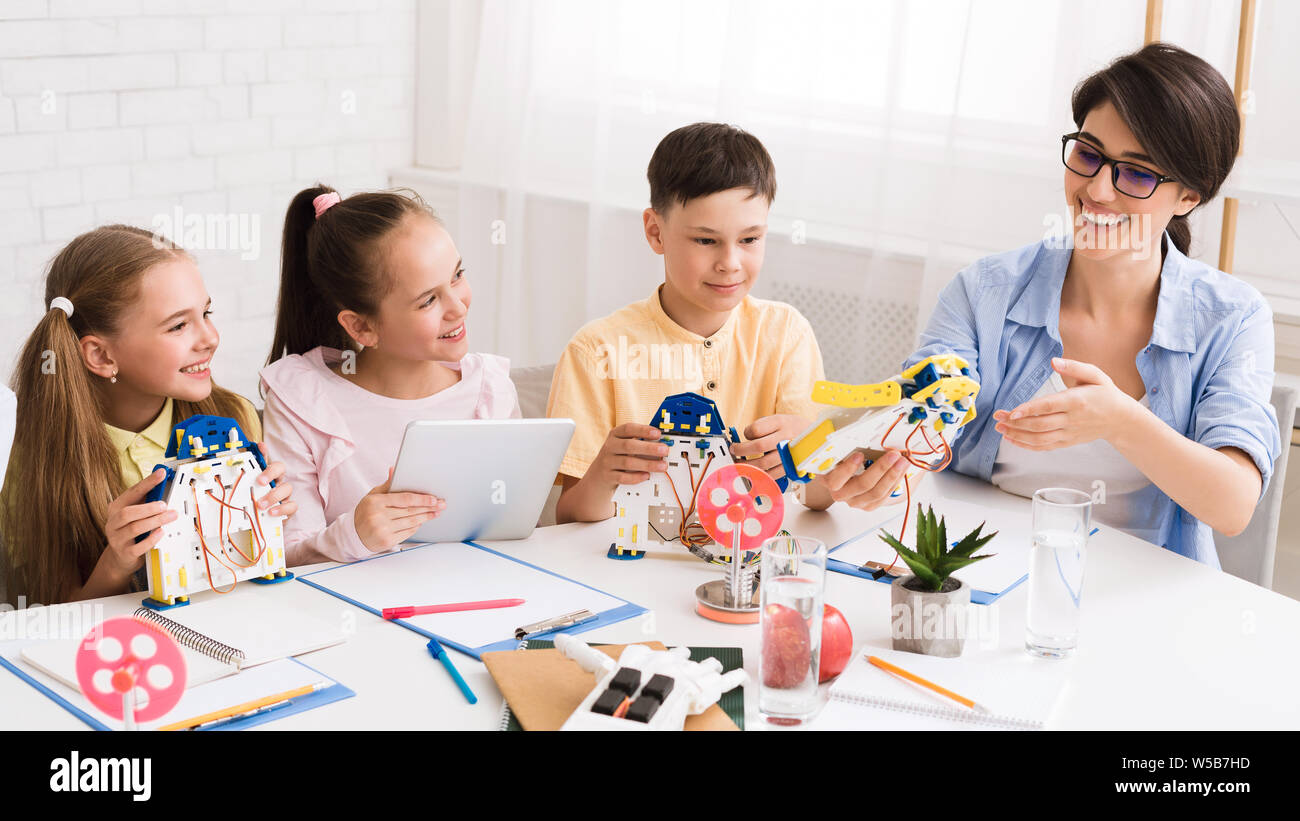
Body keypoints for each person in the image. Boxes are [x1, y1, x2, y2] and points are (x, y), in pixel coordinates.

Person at [886, 43, 1280, 567]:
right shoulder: (985, 291)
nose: (1096, 190)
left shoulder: (1233, 318)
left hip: (1144, 598)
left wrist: (1119, 420)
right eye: (1089, 154)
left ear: (1189, 196)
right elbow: (918, 426)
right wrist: (871, 448)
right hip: (983, 577)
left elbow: (1232, 505)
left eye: (1137, 174)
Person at [546, 122, 842, 524]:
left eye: (750, 239)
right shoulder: (597, 350)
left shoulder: (786, 333)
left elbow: (817, 498)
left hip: (746, 558)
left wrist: (812, 452)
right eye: (706, 241)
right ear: (656, 232)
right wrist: (602, 475)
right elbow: (567, 517)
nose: (730, 263)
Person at [1, 225, 297, 604]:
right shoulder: (27, 457)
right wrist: (117, 561)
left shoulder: (233, 416)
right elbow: (52, 611)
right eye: (178, 325)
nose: (210, 338)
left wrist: (269, 516)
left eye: (206, 312)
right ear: (102, 356)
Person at [261, 186, 519, 565]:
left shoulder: (490, 390)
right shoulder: (302, 401)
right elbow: (286, 557)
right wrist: (354, 535)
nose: (457, 307)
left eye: (457, 275)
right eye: (428, 300)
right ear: (362, 328)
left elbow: (512, 528)